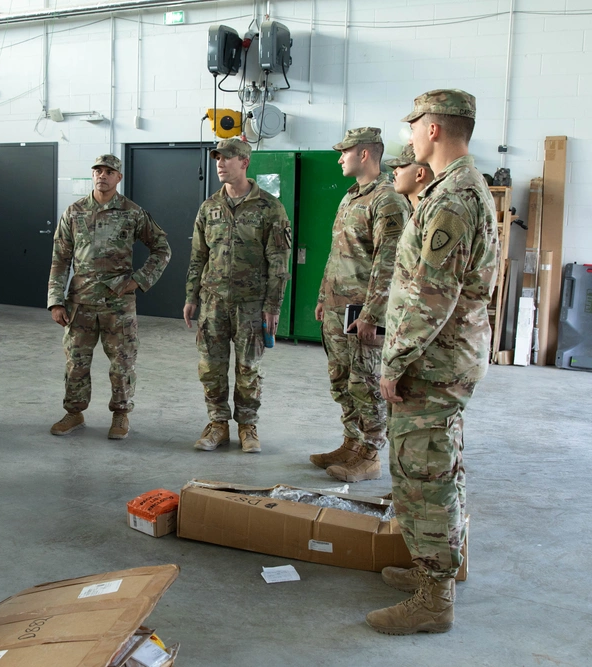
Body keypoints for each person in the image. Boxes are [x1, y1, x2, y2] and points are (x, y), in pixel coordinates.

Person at [366, 89, 499, 634]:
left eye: (414, 125)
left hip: (433, 361)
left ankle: (434, 595)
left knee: (424, 472)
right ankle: (439, 568)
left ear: (435, 129)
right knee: (440, 462)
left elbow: (430, 297)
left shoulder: (450, 199)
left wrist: (394, 361)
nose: (410, 134)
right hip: (447, 356)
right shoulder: (460, 188)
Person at [310, 128, 410, 482]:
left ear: (365, 154)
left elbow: (389, 263)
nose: (340, 158)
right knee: (342, 380)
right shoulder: (351, 196)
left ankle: (370, 453)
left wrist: (373, 314)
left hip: (362, 314)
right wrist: (324, 297)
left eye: (345, 152)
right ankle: (351, 443)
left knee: (365, 383)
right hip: (338, 310)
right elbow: (338, 252)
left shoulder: (388, 200)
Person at [47, 154, 171, 440]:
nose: (102, 175)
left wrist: (139, 280)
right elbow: (60, 258)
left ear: (119, 177)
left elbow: (162, 248)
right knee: (76, 363)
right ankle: (74, 412)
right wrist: (56, 300)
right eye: (98, 171)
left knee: (122, 363)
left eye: (109, 171)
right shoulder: (74, 212)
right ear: (92, 175)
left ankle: (121, 414)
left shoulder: (132, 212)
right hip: (80, 303)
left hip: (118, 303)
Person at [184, 138, 292, 453]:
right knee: (210, 367)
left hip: (252, 304)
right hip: (213, 302)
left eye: (227, 158)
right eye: (217, 158)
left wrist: (273, 306)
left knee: (249, 368)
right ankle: (218, 424)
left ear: (244, 162)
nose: (220, 163)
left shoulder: (270, 208)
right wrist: (191, 297)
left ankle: (248, 427)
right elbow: (197, 257)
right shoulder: (209, 207)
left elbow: (279, 262)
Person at [387, 143, 434, 210]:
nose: (394, 172)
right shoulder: (419, 211)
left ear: (419, 174)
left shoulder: (432, 212)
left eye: (401, 166)